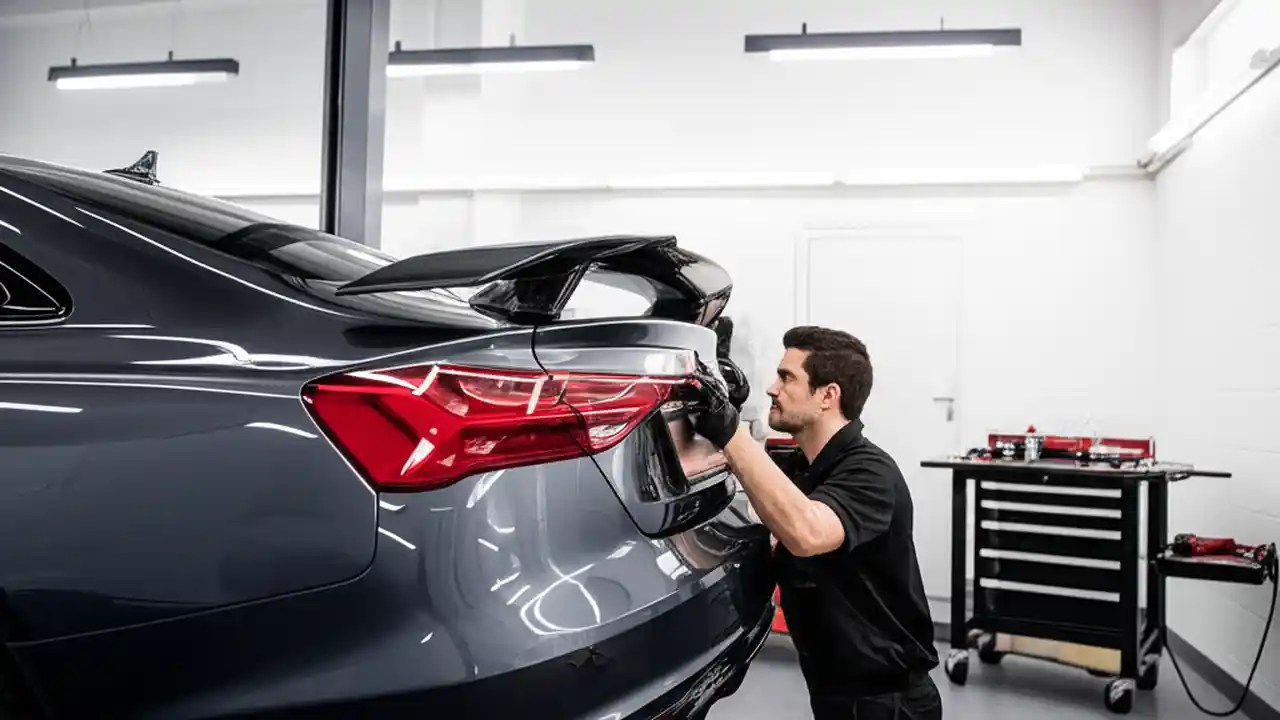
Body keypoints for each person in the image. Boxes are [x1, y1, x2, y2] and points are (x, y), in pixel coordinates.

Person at [692, 325, 941, 720]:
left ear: (828, 395)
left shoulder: (870, 472)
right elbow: (742, 473)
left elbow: (806, 532)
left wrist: (727, 427)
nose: (772, 388)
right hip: (835, 694)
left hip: (888, 705)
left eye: (787, 377)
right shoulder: (802, 467)